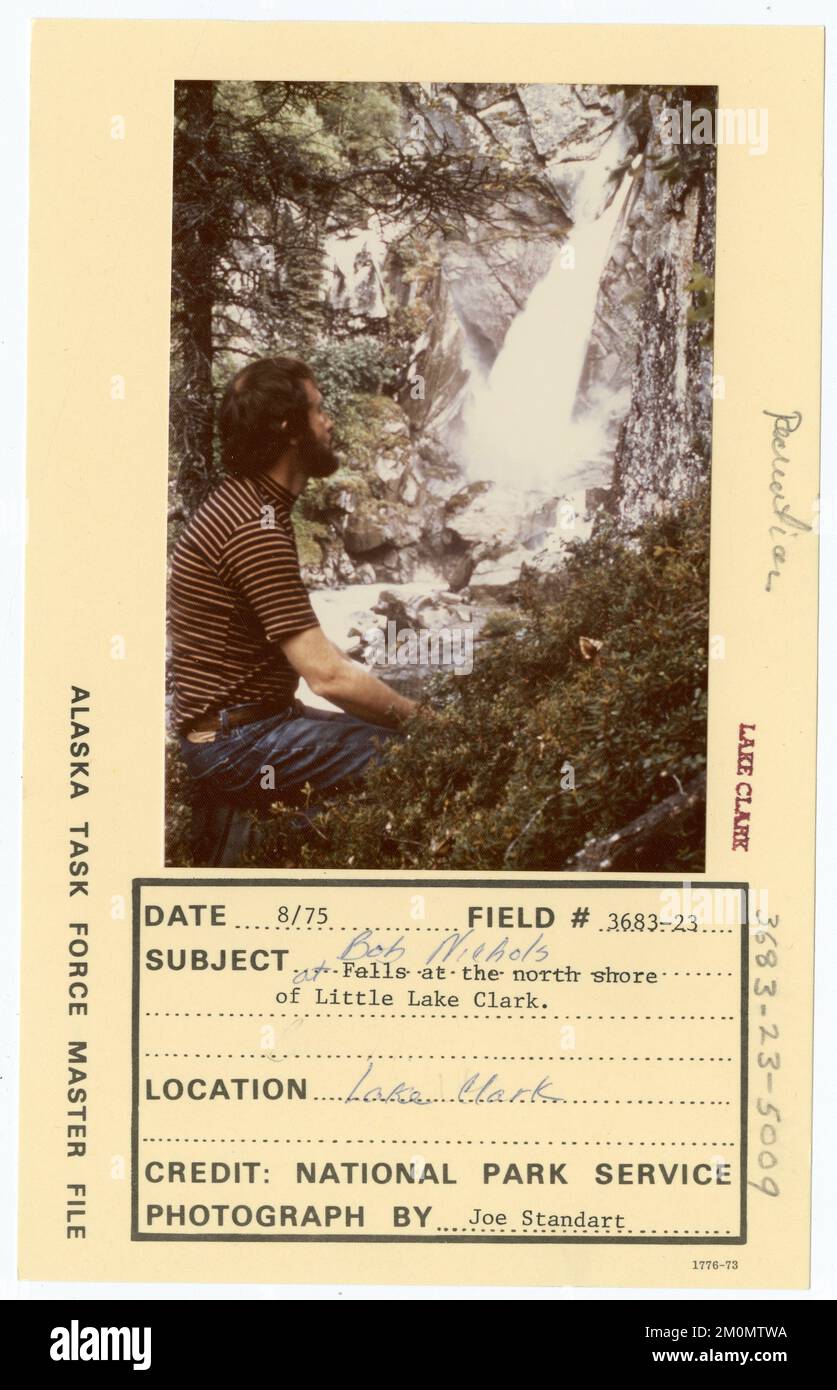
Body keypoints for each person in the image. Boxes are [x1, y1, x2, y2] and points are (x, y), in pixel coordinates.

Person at [168, 356, 418, 859]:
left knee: (380, 734)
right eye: (319, 409)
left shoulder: (248, 505)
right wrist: (428, 722)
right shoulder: (254, 528)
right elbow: (327, 676)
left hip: (248, 725)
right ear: (288, 428)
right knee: (419, 757)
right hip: (237, 742)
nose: (328, 423)